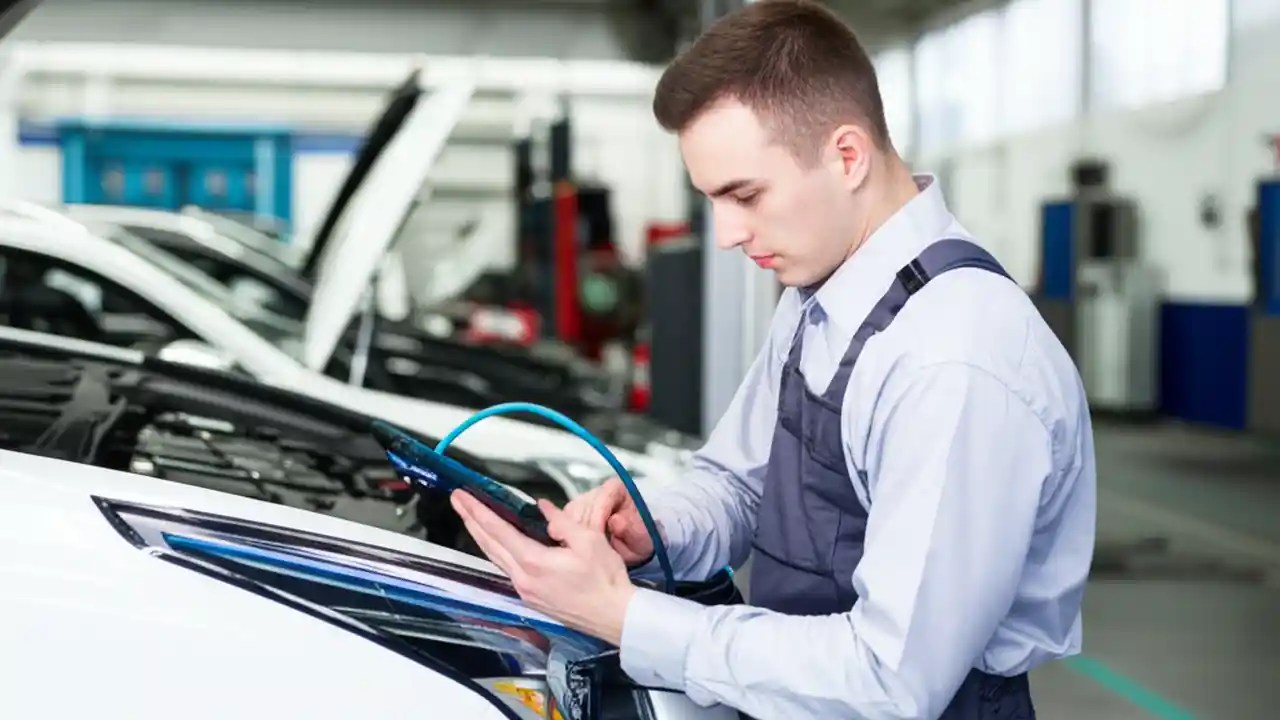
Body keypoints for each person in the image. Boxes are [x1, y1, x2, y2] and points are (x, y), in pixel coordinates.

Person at [450, 1, 1097, 718]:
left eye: (745, 195)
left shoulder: (956, 362)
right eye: (712, 201)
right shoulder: (822, 290)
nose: (726, 233)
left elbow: (890, 683)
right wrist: (655, 528)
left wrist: (625, 618)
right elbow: (739, 483)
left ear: (846, 157)